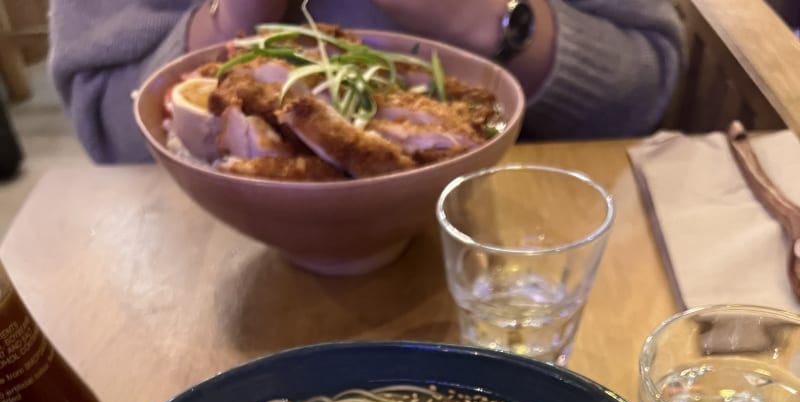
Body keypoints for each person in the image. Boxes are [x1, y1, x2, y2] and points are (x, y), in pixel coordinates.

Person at [50, 0, 685, 165]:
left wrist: (480, 18)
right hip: (204, 273)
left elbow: (647, 84)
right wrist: (235, 21)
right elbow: (105, 125)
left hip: (495, 241)